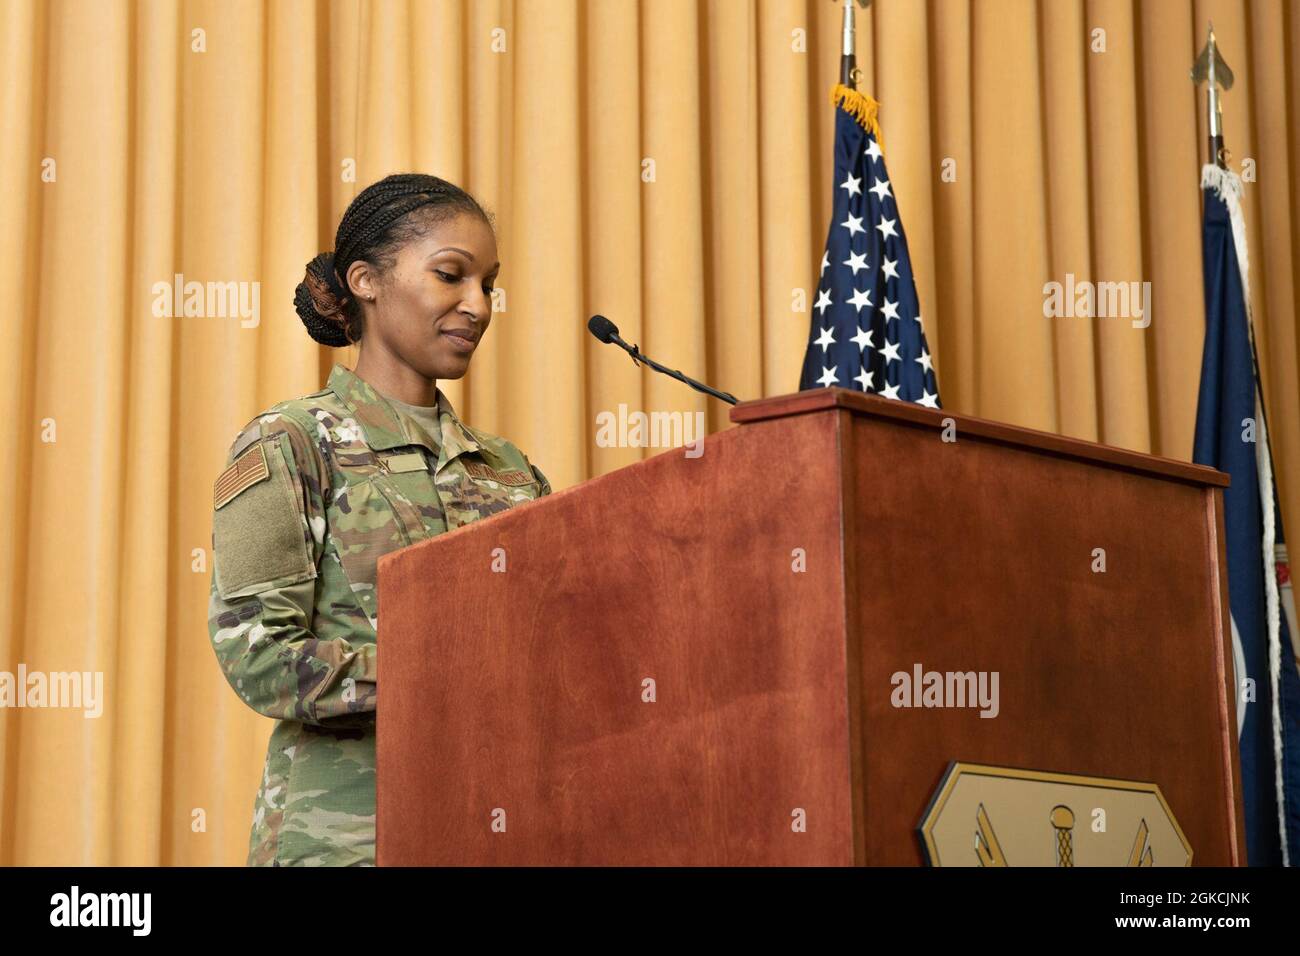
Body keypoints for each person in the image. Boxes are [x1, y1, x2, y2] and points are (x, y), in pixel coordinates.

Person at [206, 172, 551, 866]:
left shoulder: (510, 470)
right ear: (366, 280)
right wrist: (436, 673)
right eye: (451, 276)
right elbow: (259, 656)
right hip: (345, 844)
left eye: (489, 284)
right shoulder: (290, 442)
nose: (477, 306)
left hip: (495, 834)